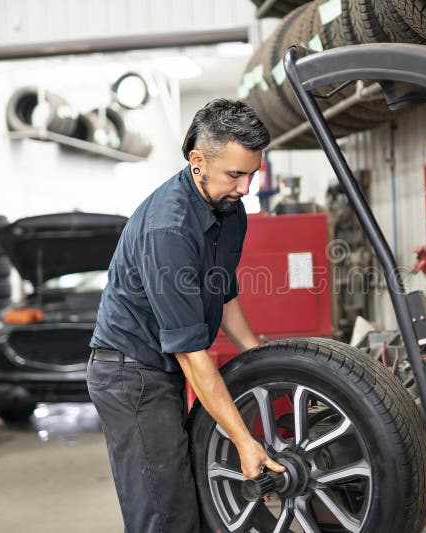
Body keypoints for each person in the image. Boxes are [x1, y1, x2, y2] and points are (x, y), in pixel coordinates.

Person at [88, 98, 285, 533]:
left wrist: (260, 360)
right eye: (235, 174)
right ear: (197, 161)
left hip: (163, 367)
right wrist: (244, 441)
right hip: (130, 375)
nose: (246, 188)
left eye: (252, 173)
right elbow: (193, 356)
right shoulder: (169, 230)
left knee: (187, 495)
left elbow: (223, 291)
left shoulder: (230, 210)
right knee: (164, 513)